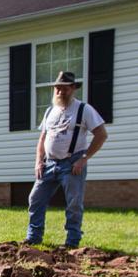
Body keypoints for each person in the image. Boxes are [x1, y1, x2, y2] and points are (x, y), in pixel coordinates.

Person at [25, 71, 108, 248]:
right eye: (57, 88)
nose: (60, 92)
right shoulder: (50, 111)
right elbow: (42, 138)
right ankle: (33, 237)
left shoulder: (83, 109)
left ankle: (72, 241)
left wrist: (84, 159)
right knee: (35, 199)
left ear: (73, 88)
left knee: (73, 204)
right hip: (49, 163)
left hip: (72, 163)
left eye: (64, 88)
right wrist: (38, 161)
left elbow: (101, 134)